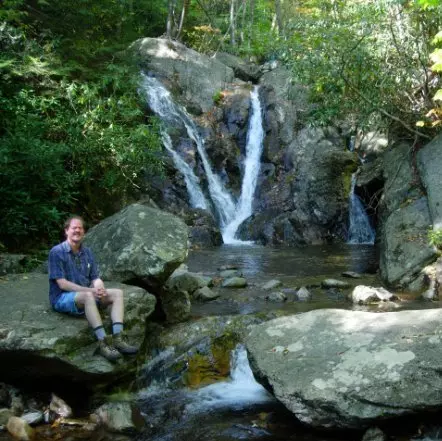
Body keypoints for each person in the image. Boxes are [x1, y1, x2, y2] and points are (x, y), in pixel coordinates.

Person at [48, 215, 138, 362]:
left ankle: (118, 338)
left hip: (84, 294)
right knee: (89, 297)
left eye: (80, 228)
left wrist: (99, 287)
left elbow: (95, 277)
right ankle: (103, 343)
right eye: (74, 228)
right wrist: (91, 291)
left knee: (117, 293)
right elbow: (62, 284)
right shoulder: (56, 252)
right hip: (62, 297)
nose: (77, 230)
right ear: (66, 231)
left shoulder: (87, 252)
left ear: (84, 232)